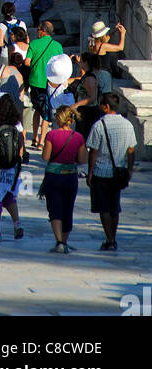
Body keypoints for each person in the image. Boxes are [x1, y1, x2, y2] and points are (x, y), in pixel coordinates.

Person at [86, 92, 136, 251]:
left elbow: (93, 151)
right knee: (115, 206)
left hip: (101, 171)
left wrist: (90, 172)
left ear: (106, 107)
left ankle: (109, 238)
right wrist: (129, 169)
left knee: (104, 208)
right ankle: (112, 237)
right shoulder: (127, 125)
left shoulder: (99, 125)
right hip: (119, 172)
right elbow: (131, 150)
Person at [41, 103, 86, 253]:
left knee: (54, 208)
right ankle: (64, 242)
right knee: (68, 208)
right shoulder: (78, 137)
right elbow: (81, 160)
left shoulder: (51, 135)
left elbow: (46, 156)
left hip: (53, 175)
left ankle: (59, 241)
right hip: (70, 176)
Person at [0, 93, 26, 244]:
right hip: (13, 167)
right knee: (10, 196)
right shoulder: (17, 123)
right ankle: (17, 223)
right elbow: (21, 144)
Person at [25, 21, 64, 150]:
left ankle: (35, 138)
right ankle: (42, 140)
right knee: (47, 111)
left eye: (38, 29)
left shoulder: (34, 44)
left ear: (43, 30)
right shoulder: (57, 46)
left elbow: (27, 62)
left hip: (36, 81)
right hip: (51, 82)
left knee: (37, 109)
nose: (37, 32)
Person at [72, 52, 112, 141]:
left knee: (83, 139)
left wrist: (76, 104)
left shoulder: (90, 78)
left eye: (81, 61)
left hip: (87, 112)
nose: (80, 63)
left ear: (85, 63)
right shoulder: (88, 75)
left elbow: (92, 97)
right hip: (87, 111)